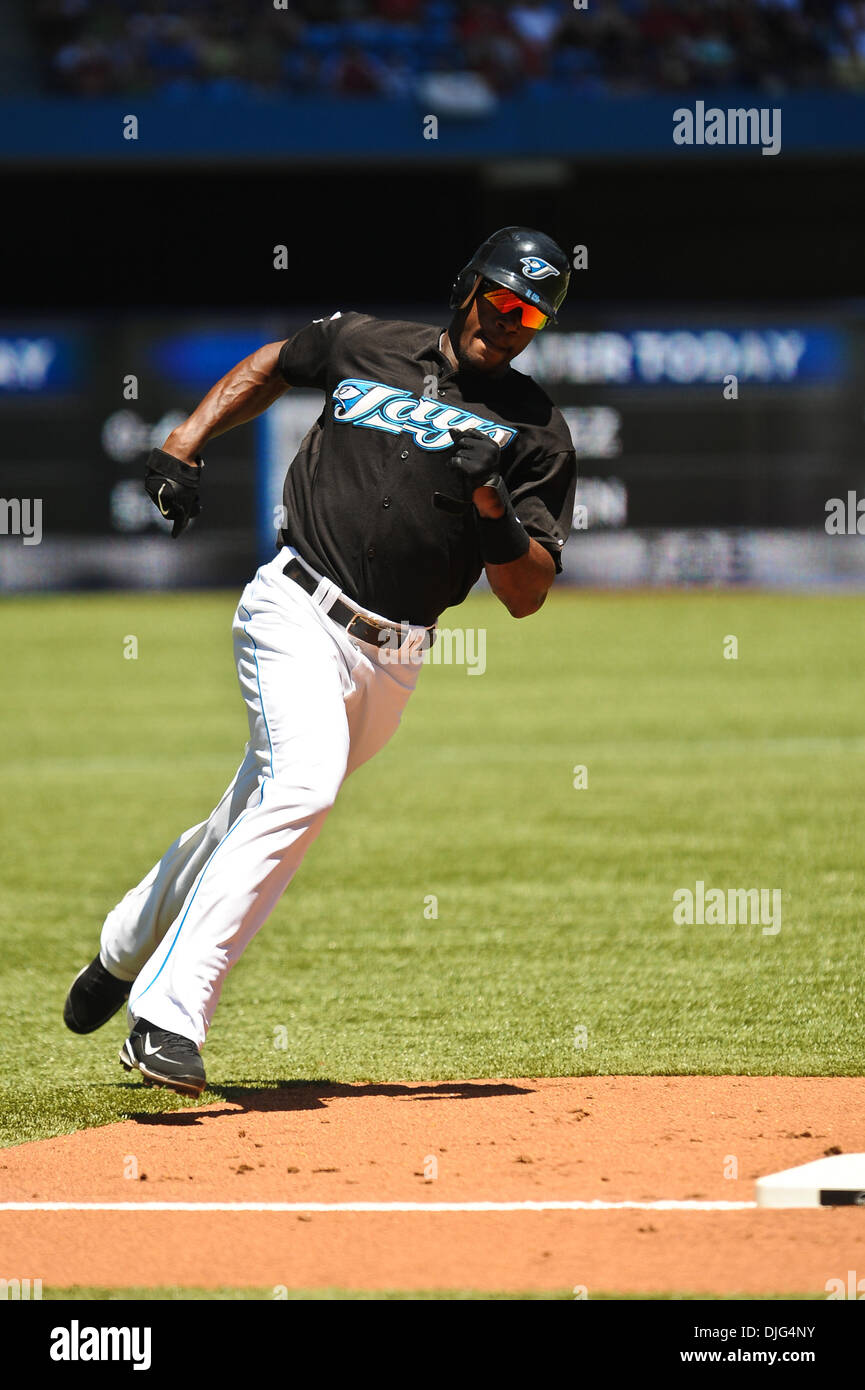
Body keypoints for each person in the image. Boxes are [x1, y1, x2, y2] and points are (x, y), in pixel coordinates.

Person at [63, 226, 577, 1097]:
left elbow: (526, 593)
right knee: (303, 789)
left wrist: (492, 498)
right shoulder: (366, 342)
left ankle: (120, 947)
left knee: (248, 815)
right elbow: (275, 361)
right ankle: (166, 1017)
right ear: (467, 288)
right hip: (296, 606)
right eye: (501, 298)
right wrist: (184, 443)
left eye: (532, 312)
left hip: (395, 660)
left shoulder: (536, 430)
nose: (511, 321)